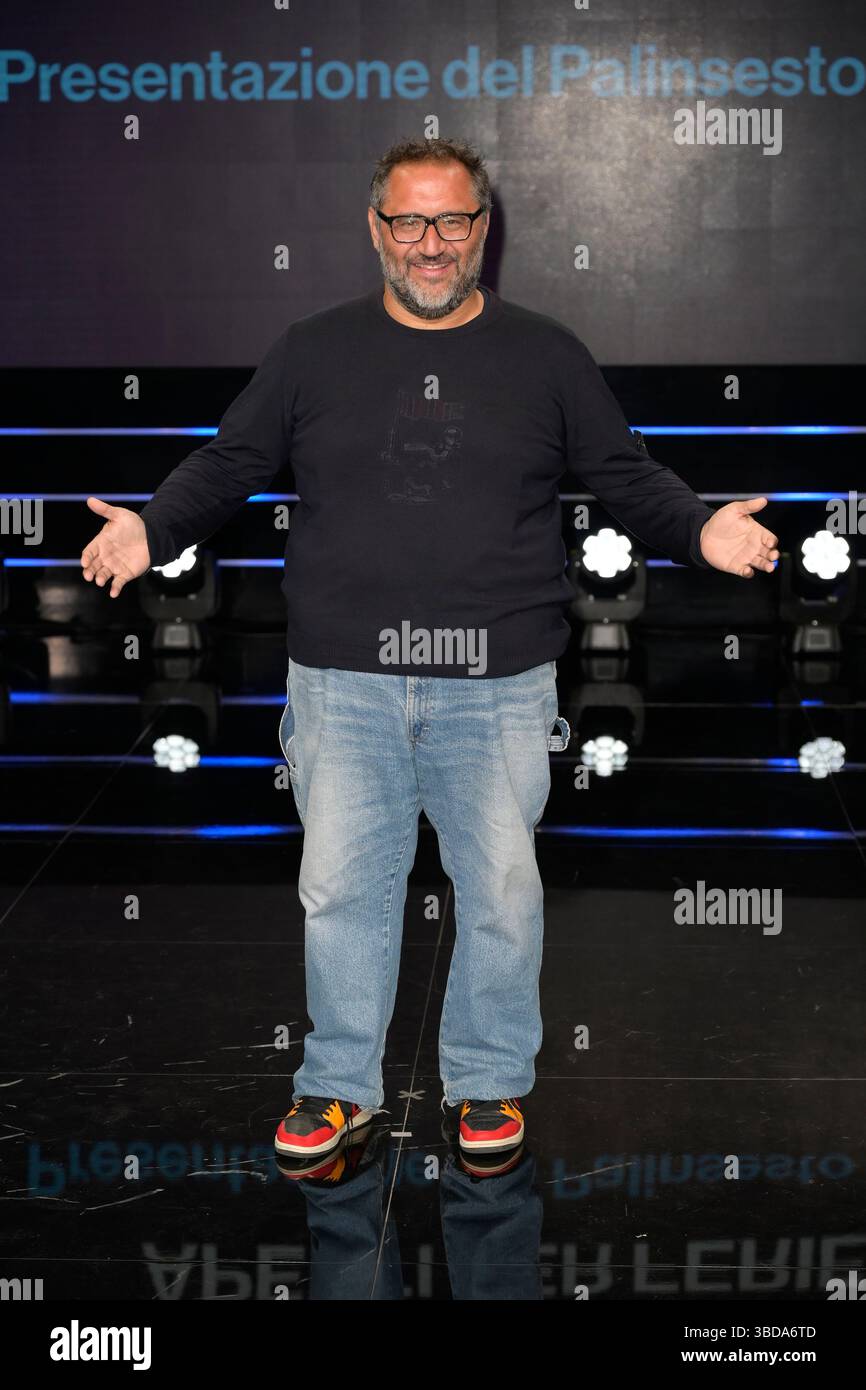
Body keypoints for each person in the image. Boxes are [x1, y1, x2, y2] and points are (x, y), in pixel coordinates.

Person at [80, 136, 779, 1161]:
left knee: (499, 887)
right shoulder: (310, 349)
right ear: (376, 229)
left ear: (481, 233)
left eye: (451, 220)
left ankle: (487, 1082)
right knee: (342, 889)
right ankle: (336, 1087)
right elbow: (231, 463)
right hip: (341, 680)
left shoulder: (546, 354)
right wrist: (152, 525)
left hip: (496, 681)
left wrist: (697, 525)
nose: (430, 242)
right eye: (408, 220)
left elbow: (623, 475)